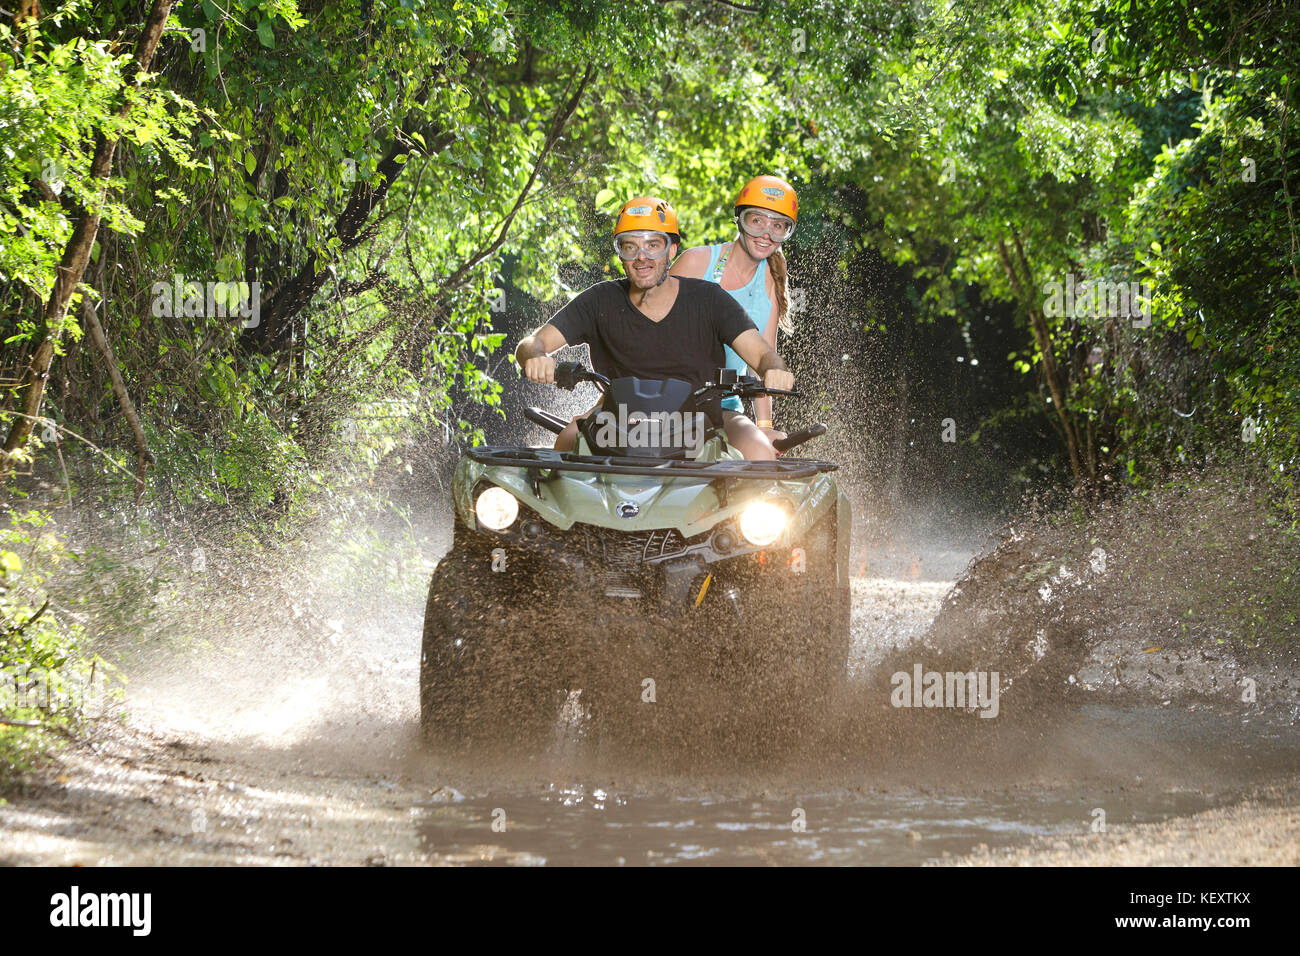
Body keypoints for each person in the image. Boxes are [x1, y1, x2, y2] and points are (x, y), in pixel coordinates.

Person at [515, 195, 794, 459]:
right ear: (620, 253)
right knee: (567, 440)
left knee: (759, 451)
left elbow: (761, 353)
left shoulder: (709, 298)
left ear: (672, 249)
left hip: (706, 420)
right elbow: (532, 343)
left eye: (653, 245)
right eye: (629, 246)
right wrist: (535, 357)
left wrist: (774, 369)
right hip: (618, 420)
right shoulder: (599, 299)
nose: (642, 257)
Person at [670, 175, 799, 459]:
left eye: (778, 226)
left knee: (762, 456)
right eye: (757, 221)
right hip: (668, 401)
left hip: (723, 408)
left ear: (786, 233)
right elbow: (649, 329)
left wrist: (764, 426)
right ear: (740, 219)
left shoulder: (771, 279)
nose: (766, 233)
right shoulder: (697, 262)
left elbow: (763, 357)